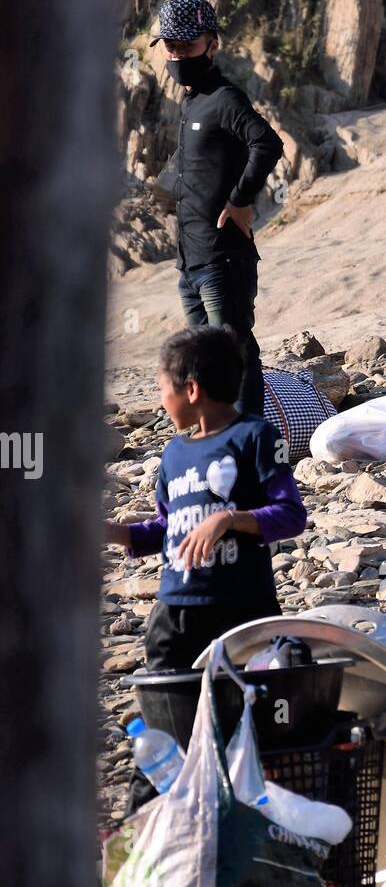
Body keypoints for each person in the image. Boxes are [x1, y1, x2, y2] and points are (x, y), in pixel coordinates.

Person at [104, 325, 307, 811]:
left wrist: (229, 520)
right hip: (176, 614)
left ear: (190, 389)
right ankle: (143, 825)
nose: (161, 400)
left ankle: (252, 819)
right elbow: (168, 529)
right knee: (164, 731)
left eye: (161, 389)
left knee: (251, 725)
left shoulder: (255, 436)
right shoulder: (173, 454)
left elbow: (291, 515)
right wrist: (118, 534)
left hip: (245, 610)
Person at [151, 0, 284, 417]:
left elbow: (267, 143)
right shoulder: (190, 102)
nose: (176, 56)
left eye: (186, 48)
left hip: (224, 259)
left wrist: (242, 200)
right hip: (190, 261)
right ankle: (216, 439)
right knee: (206, 360)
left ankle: (249, 442)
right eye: (170, 48)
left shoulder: (225, 99)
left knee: (236, 350)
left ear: (213, 45)